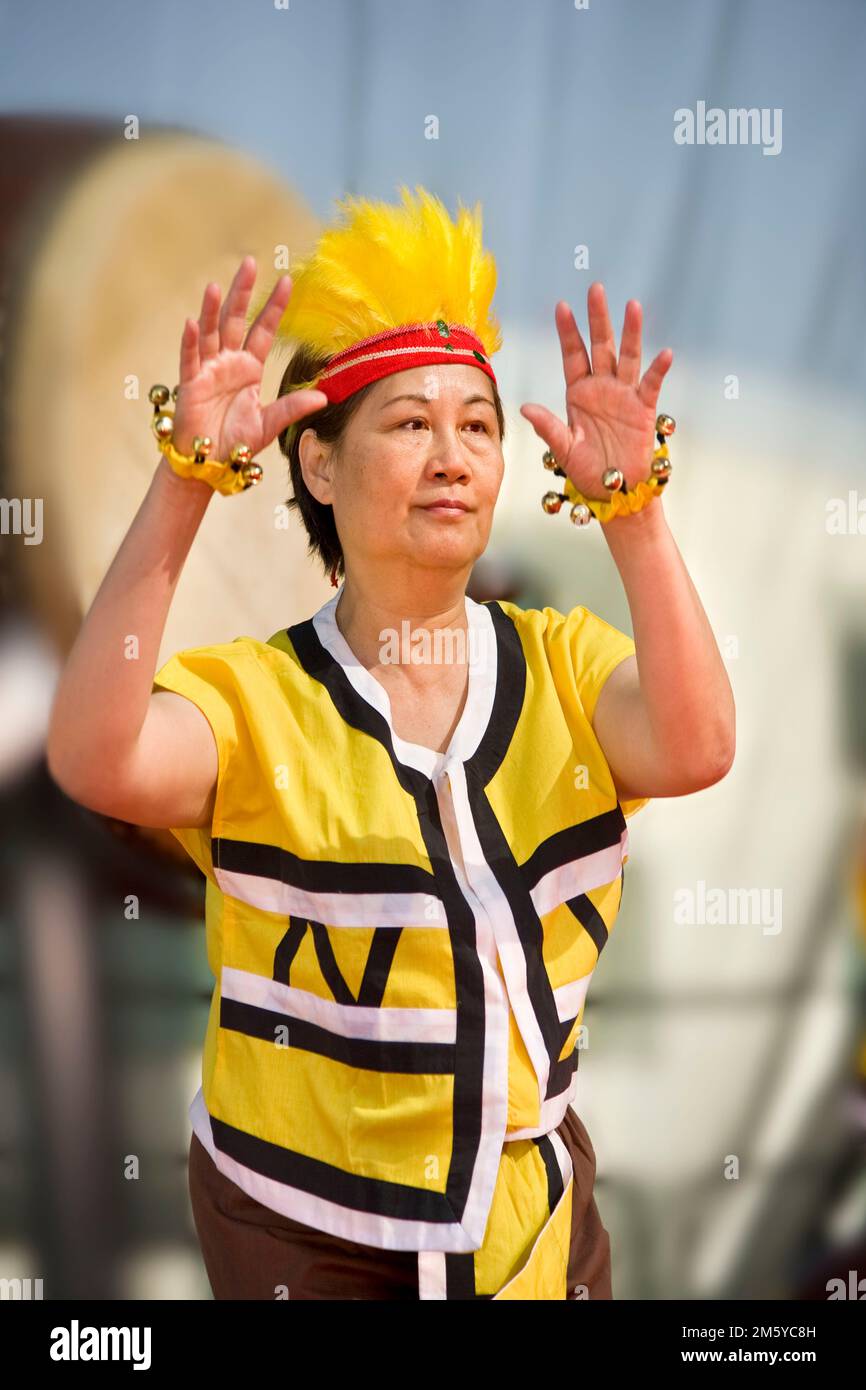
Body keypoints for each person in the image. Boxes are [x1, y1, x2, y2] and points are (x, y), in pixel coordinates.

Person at [46, 184, 736, 1300]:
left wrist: (634, 512)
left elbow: (698, 744)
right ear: (318, 466)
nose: (451, 455)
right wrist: (184, 483)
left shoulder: (561, 663)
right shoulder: (256, 694)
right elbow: (95, 758)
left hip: (537, 1226)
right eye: (408, 424)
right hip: (302, 1231)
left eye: (476, 424)